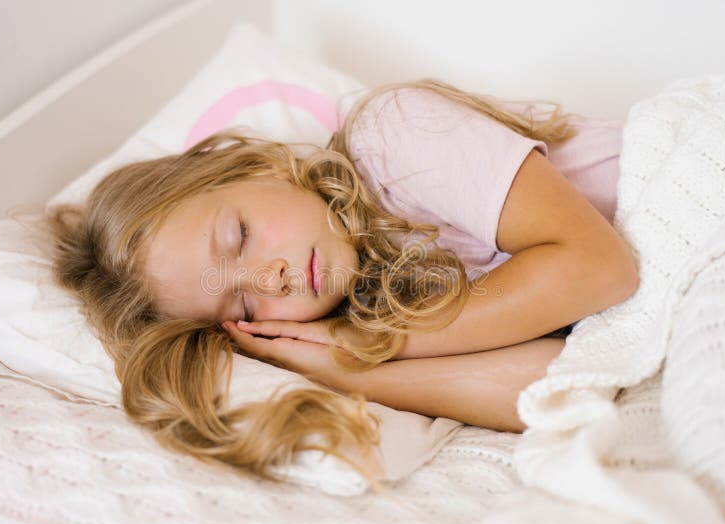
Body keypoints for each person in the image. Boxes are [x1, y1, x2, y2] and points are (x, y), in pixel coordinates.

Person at [42, 78, 638, 484]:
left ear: (255, 169)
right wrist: (352, 369)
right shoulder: (362, 306)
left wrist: (389, 345)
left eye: (239, 236)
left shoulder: (392, 137)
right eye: (243, 298)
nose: (270, 278)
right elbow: (565, 381)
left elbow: (599, 267)